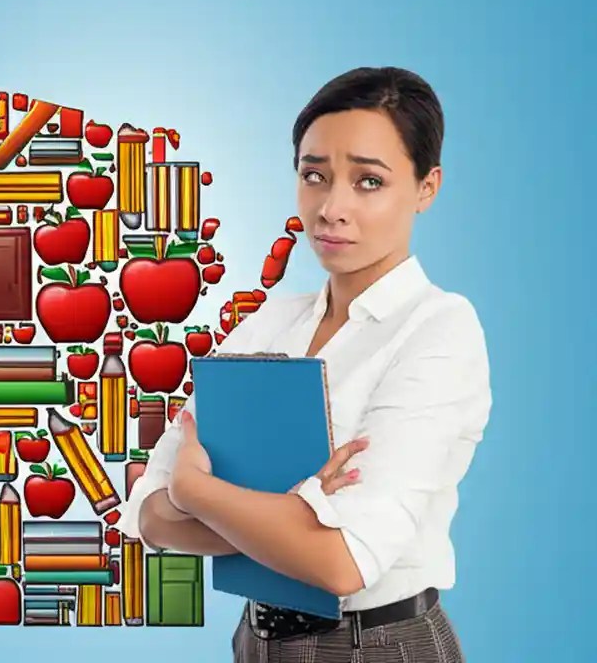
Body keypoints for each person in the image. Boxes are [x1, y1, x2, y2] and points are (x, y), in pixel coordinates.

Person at [116, 66, 491, 663]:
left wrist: (197, 489)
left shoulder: (439, 329)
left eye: (369, 181)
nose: (331, 208)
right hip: (255, 640)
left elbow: (342, 560)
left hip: (378, 645)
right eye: (314, 175)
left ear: (427, 187)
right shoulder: (267, 323)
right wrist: (295, 514)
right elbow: (146, 515)